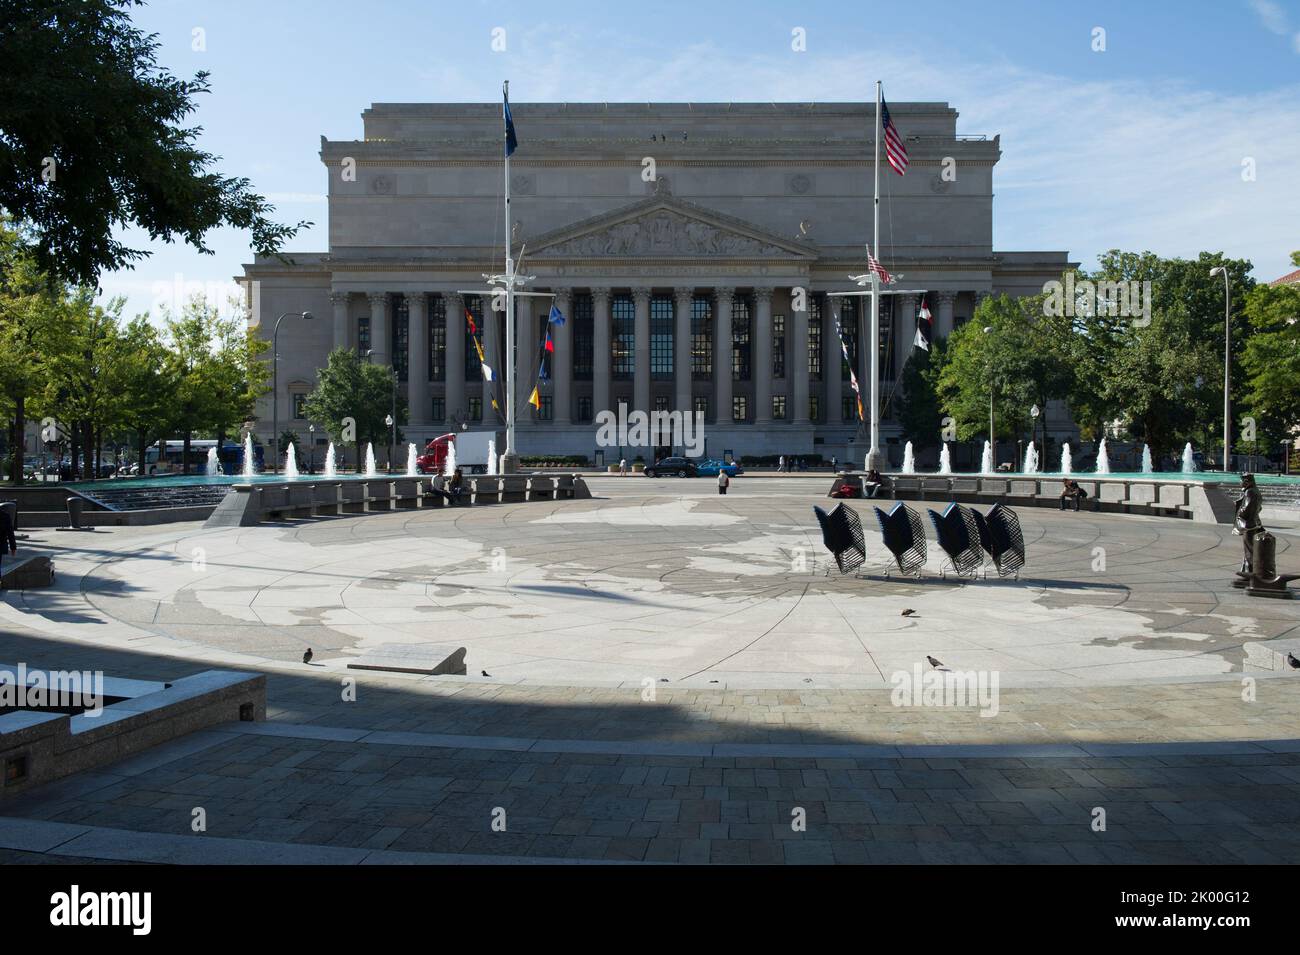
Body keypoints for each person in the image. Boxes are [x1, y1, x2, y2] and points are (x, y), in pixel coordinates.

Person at [0, 504, 15, 582]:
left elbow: (10, 533)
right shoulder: (5, 516)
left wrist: (13, 547)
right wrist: (13, 547)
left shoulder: (5, 516)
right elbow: (10, 533)